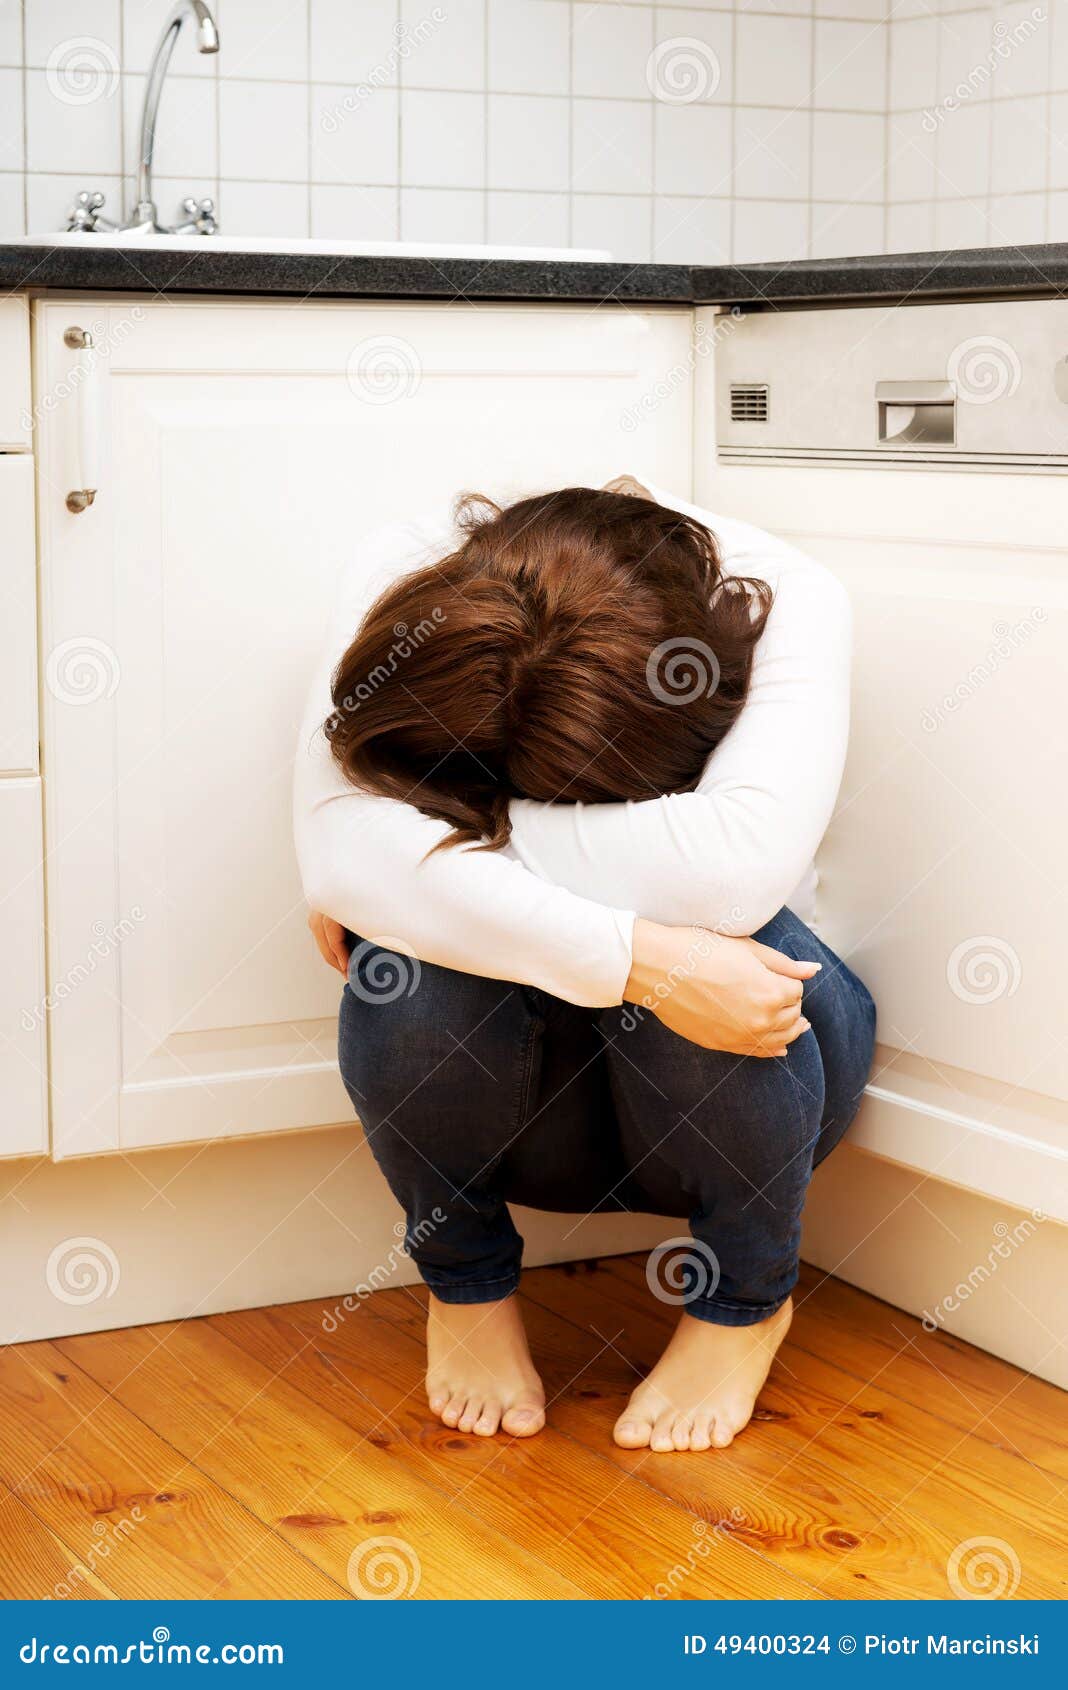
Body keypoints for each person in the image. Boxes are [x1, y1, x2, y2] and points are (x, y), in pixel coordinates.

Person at [294, 476, 875, 1453]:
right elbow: (338, 850)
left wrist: (429, 851)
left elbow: (729, 876)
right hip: (530, 1113)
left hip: (760, 1073)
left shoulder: (787, 593)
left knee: (721, 938)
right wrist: (646, 958)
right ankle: (466, 1286)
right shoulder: (404, 574)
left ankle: (745, 1300)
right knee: (410, 960)